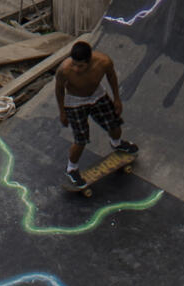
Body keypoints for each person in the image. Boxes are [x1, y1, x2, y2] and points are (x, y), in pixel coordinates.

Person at [56, 40, 136, 188]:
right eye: (74, 64)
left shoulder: (104, 62)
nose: (76, 69)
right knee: (81, 139)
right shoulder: (64, 70)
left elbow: (112, 77)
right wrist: (62, 112)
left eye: (81, 66)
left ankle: (117, 144)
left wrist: (117, 99)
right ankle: (71, 169)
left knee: (114, 124)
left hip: (96, 96)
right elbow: (59, 90)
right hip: (75, 102)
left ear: (90, 61)